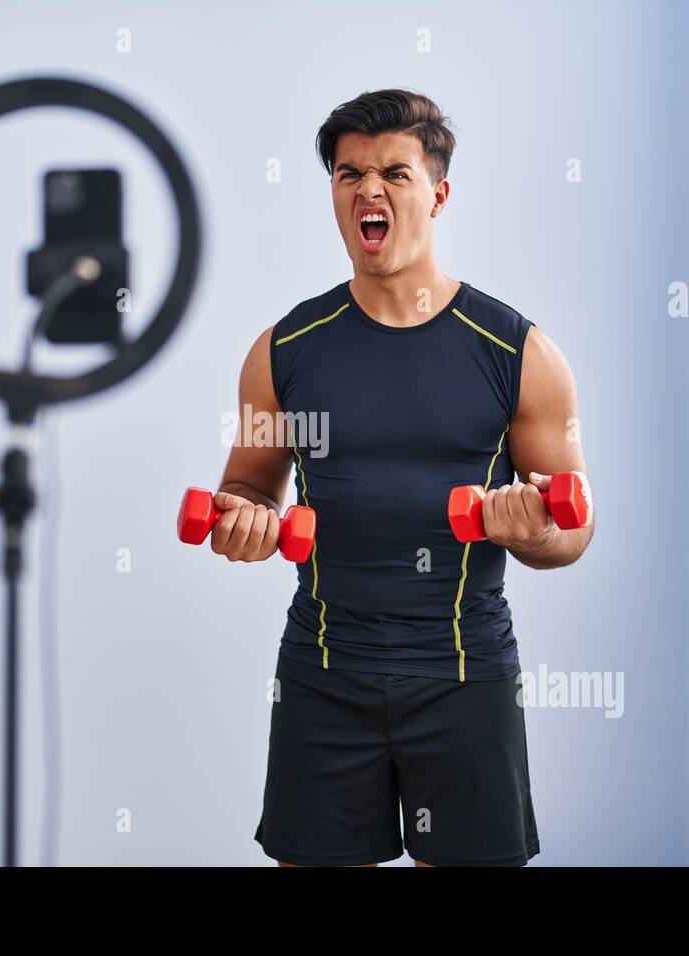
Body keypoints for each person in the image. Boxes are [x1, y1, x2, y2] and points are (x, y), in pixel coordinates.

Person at [210, 89, 594, 867]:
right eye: (349, 174)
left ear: (439, 194)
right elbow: (246, 492)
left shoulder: (519, 353)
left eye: (394, 172)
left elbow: (575, 529)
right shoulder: (282, 350)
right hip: (322, 674)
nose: (368, 191)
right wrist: (242, 525)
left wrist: (537, 528)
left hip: (464, 675)